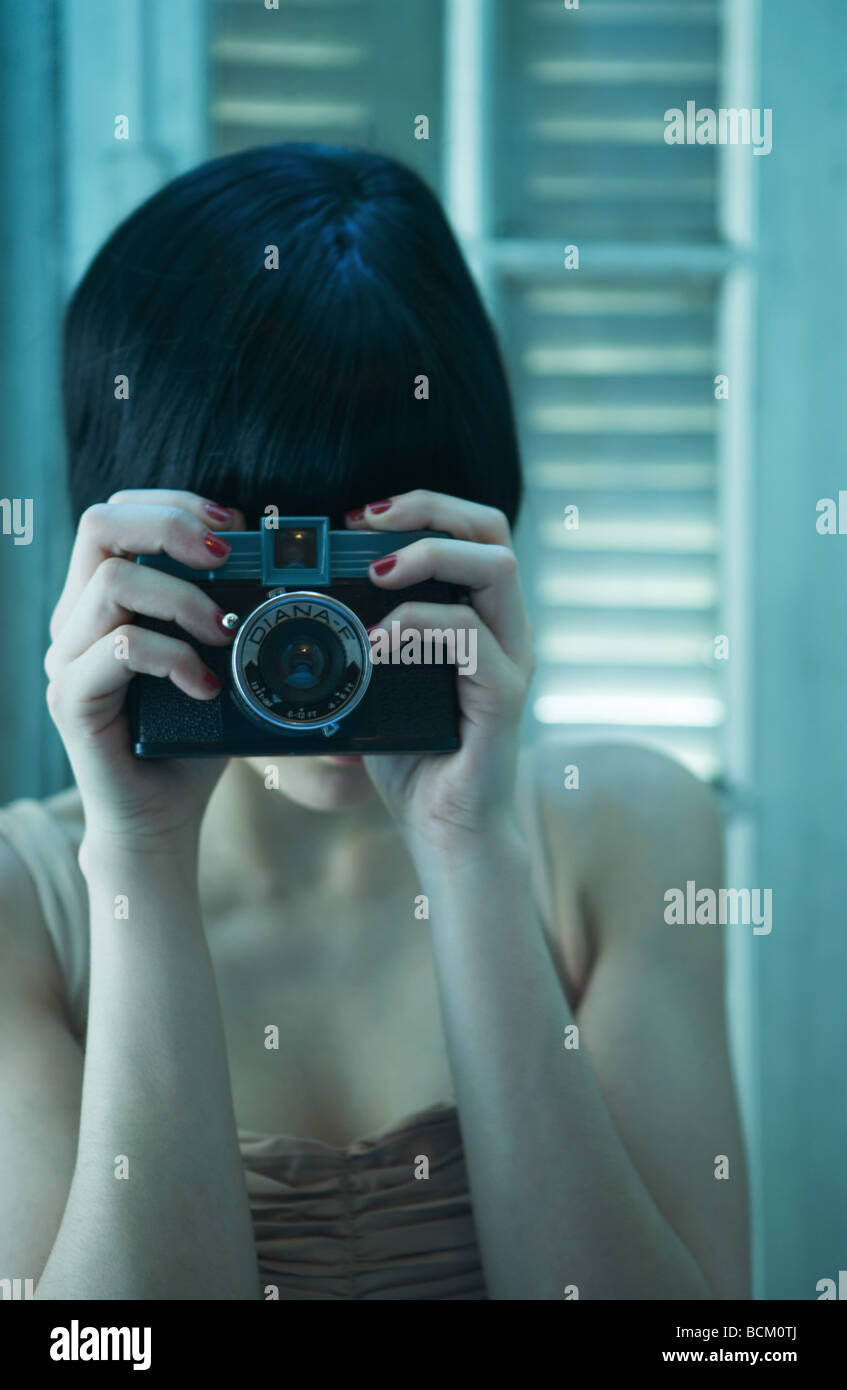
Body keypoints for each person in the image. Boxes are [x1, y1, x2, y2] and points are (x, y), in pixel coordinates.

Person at [0, 143, 749, 1301]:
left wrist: (470, 844)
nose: (315, 639)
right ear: (122, 545)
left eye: (365, 566)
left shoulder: (625, 830)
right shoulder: (28, 901)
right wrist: (139, 857)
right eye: (256, 564)